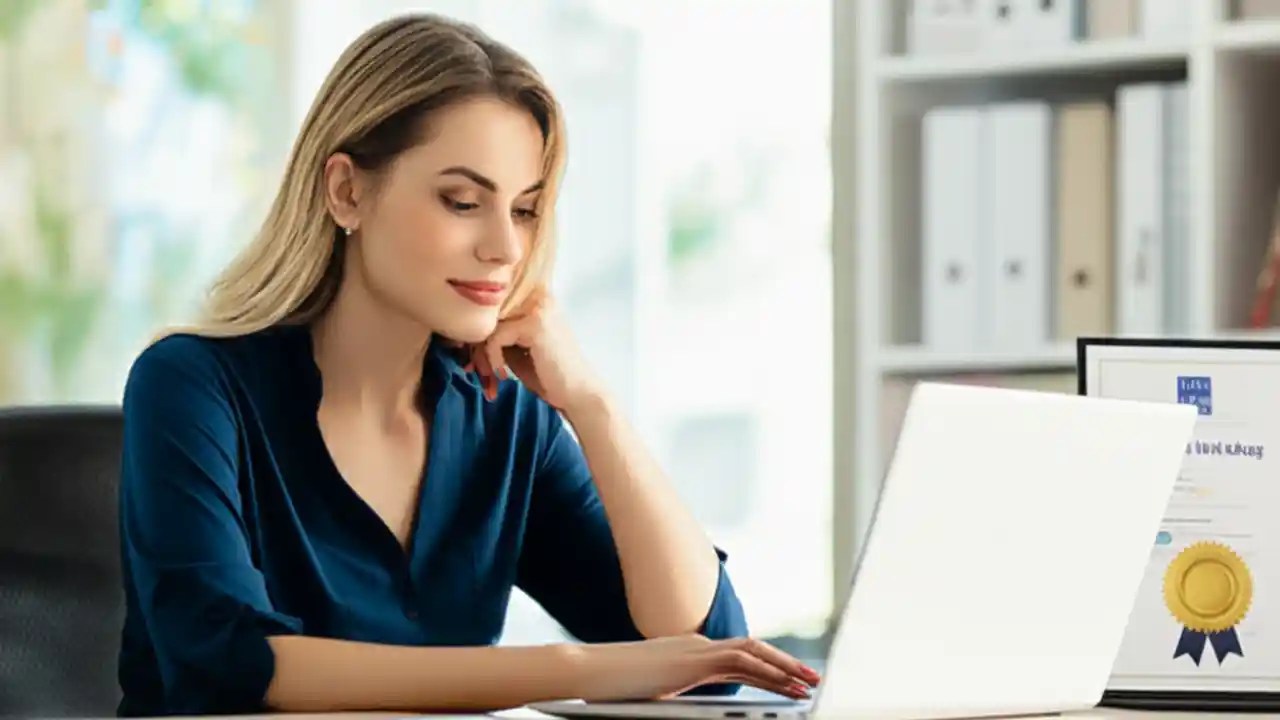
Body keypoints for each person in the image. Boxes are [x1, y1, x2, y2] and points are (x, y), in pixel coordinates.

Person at [115, 12, 821, 717]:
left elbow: (707, 657)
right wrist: (569, 668)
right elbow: (230, 658)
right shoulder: (192, 386)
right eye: (462, 202)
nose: (506, 249)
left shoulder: (506, 422)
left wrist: (591, 405)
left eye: (524, 211)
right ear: (347, 191)